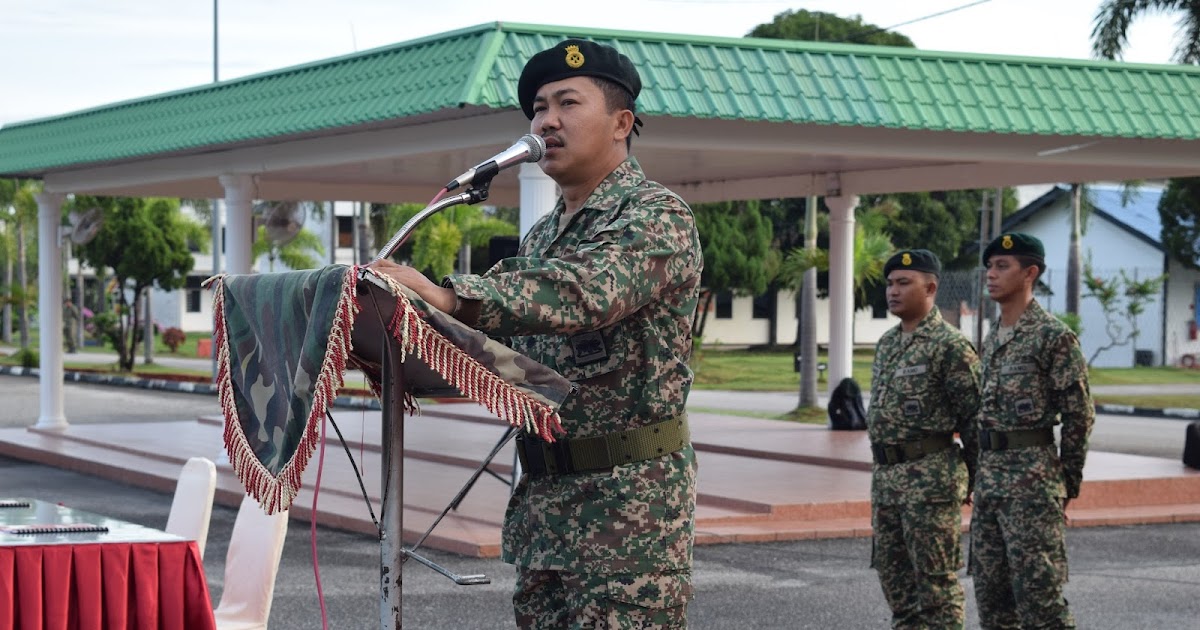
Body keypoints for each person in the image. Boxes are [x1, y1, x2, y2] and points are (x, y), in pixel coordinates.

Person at [369, 38, 703, 628]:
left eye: (567, 103)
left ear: (622, 122)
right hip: (544, 510)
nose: (546, 120)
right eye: (538, 108)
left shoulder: (657, 216)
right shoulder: (544, 235)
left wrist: (451, 295)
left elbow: (585, 292)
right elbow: (510, 359)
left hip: (627, 517)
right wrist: (396, 322)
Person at [970, 232, 1094, 629]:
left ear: (1030, 273)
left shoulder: (1053, 336)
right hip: (990, 484)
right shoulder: (992, 337)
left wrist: (1066, 483)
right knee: (993, 602)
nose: (991, 274)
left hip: (1032, 485)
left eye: (1002, 266)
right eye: (989, 266)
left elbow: (1079, 415)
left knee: (1041, 603)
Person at [867, 249, 980, 629]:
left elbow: (974, 420)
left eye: (903, 283)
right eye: (889, 284)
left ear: (930, 287)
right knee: (896, 586)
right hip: (887, 481)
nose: (893, 291)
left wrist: (975, 480)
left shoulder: (950, 346)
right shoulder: (887, 344)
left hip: (930, 482)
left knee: (936, 589)